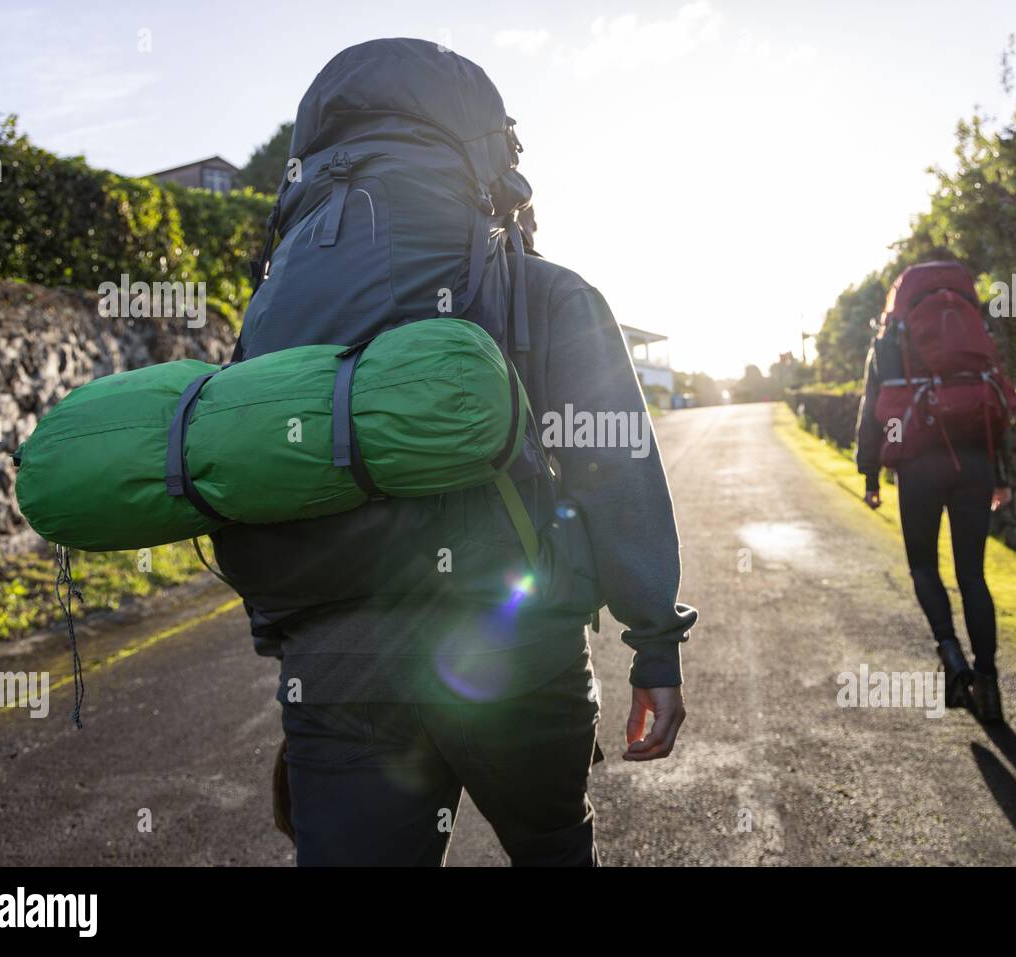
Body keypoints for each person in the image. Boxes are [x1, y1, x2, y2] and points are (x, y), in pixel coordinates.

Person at [214, 39, 696, 866]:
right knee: (552, 850)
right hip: (517, 652)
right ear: (491, 155)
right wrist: (652, 642)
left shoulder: (277, 308)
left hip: (335, 661)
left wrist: (298, 650)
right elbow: (614, 468)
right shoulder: (548, 292)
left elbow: (257, 470)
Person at [853, 261, 1012, 722]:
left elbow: (870, 411)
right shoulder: (972, 330)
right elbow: (995, 404)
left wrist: (869, 476)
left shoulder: (888, 338)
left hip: (918, 465)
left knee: (923, 565)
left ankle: (950, 654)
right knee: (973, 577)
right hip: (975, 464)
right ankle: (988, 684)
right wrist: (1000, 473)